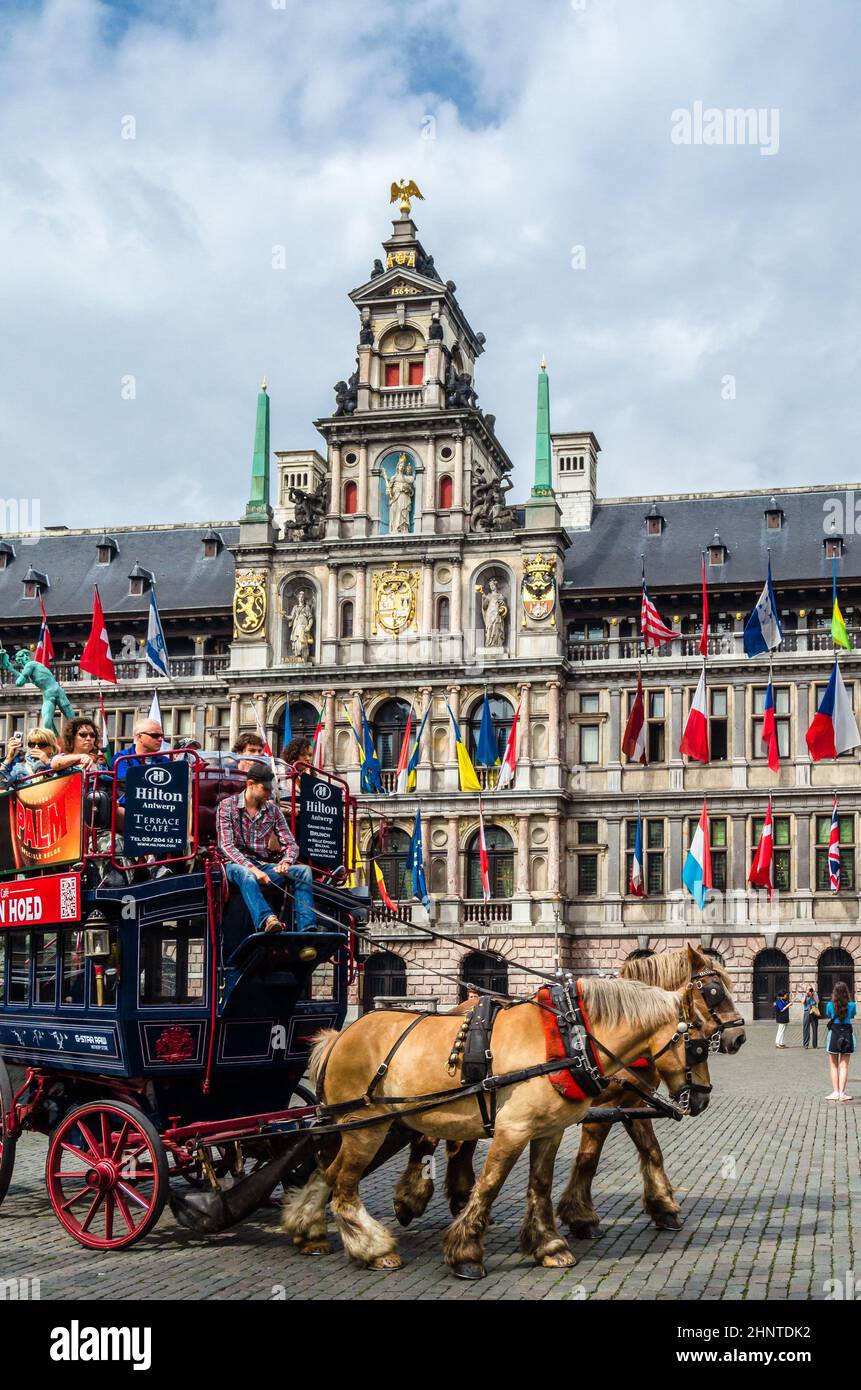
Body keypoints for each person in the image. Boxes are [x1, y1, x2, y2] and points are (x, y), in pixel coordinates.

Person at [216, 761, 318, 956]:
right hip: (233, 865)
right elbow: (226, 846)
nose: (269, 794)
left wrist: (286, 862)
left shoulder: (272, 810)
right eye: (265, 789)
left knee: (303, 871)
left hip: (263, 865)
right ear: (250, 784)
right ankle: (267, 920)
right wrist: (254, 870)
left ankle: (307, 930)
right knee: (246, 875)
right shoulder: (226, 806)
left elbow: (291, 844)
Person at [825, 981, 856, 1101]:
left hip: (834, 1034)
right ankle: (842, 1093)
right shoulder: (852, 1005)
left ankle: (835, 1092)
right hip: (847, 1033)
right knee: (844, 1066)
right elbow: (852, 1015)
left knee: (833, 1065)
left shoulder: (829, 1005)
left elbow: (829, 1014)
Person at [114, 717, 168, 784]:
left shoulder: (165, 760)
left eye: (162, 736)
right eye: (155, 735)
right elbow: (125, 781)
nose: (160, 739)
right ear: (140, 737)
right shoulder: (122, 758)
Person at [802, 985, 821, 1050]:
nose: (809, 990)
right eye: (808, 989)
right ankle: (805, 1044)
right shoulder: (804, 994)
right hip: (807, 1012)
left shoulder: (815, 994)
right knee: (806, 1028)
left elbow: (818, 1002)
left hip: (814, 1011)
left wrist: (813, 995)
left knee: (815, 1028)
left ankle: (815, 1045)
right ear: (806, 989)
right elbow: (802, 1002)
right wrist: (806, 995)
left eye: (810, 989)